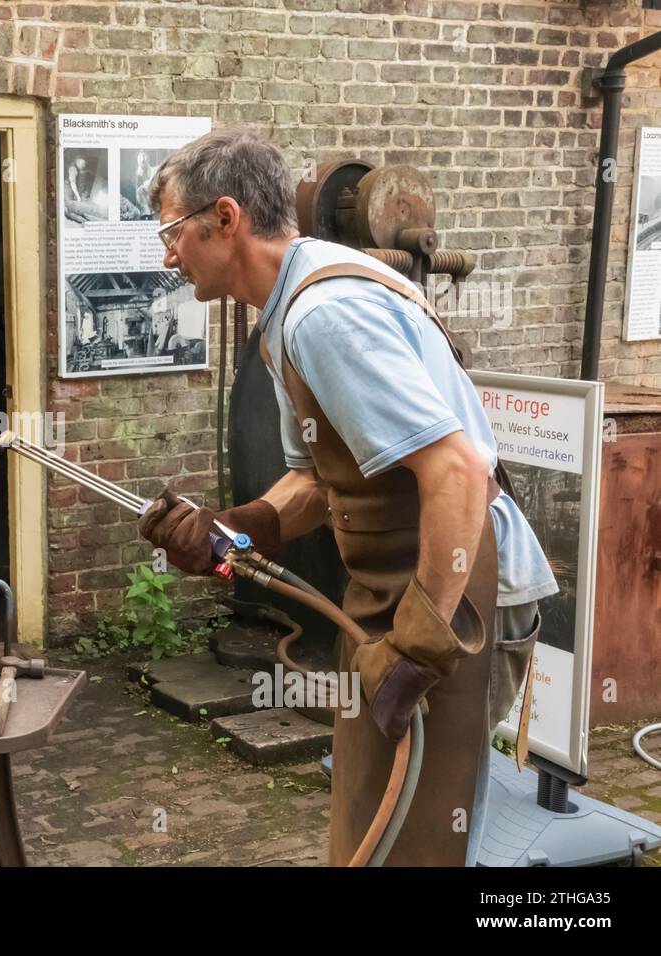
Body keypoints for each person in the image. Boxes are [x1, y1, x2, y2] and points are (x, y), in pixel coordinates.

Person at [137, 128, 555, 866]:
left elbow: (455, 472)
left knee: (420, 836)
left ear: (226, 218)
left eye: (173, 231)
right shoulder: (286, 310)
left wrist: (421, 645)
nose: (167, 254)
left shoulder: (322, 313)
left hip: (456, 586)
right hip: (403, 583)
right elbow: (317, 481)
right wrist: (238, 528)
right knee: (371, 818)